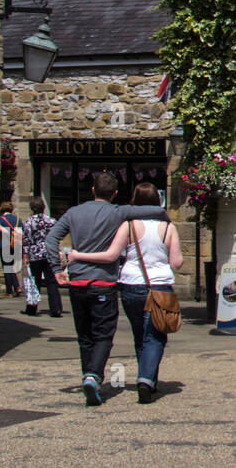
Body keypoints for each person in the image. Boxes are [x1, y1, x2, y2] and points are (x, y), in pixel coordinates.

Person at [44, 173, 167, 406]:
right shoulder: (117, 212)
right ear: (114, 194)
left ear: (92, 190)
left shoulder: (73, 213)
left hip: (78, 281)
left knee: (84, 335)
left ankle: (88, 376)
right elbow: (156, 212)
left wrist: (55, 267)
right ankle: (93, 375)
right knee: (103, 334)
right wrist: (164, 215)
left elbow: (51, 239)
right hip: (104, 282)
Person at [67, 182, 182, 404]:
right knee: (156, 335)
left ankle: (148, 380)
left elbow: (111, 255)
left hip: (131, 285)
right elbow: (176, 262)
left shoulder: (128, 225)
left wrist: (78, 255)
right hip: (159, 285)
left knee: (140, 335)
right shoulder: (169, 227)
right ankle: (146, 380)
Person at [21, 196, 63, 317]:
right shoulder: (51, 220)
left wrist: (25, 255)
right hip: (49, 253)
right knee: (52, 282)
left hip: (35, 254)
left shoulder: (30, 221)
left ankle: (32, 307)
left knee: (35, 281)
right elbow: (56, 237)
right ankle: (56, 308)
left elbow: (27, 240)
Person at [0, 202, 22, 297]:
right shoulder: (18, 220)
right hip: (16, 245)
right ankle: (17, 287)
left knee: (7, 267)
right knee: (10, 267)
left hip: (4, 245)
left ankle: (9, 291)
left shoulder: (0, 220)